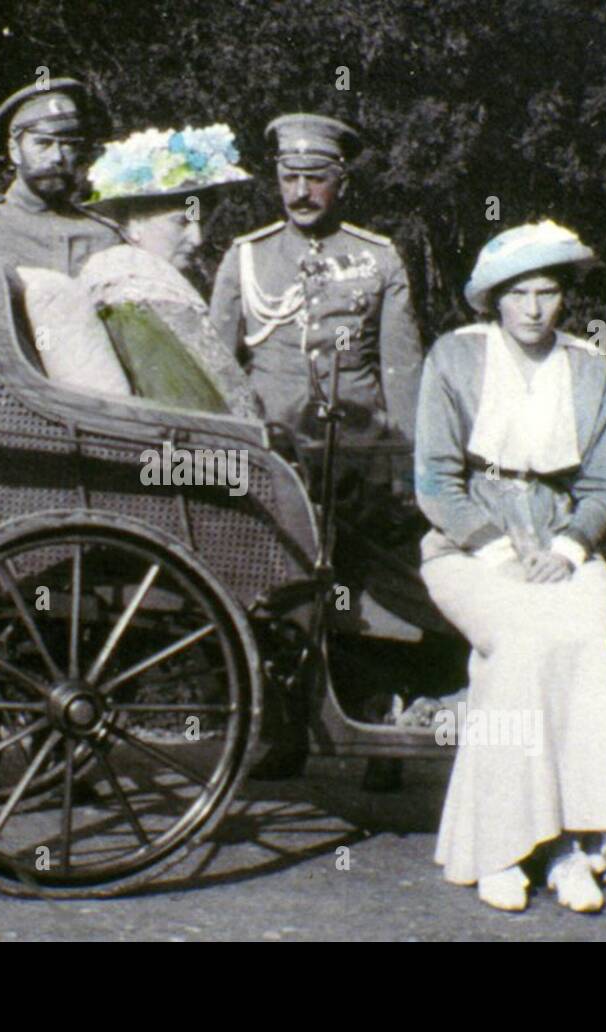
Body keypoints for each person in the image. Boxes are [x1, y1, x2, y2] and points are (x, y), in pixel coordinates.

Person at [413, 221, 606, 913]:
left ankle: (573, 844)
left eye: (548, 292)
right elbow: (434, 480)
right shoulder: (455, 358)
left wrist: (571, 548)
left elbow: (604, 485)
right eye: (520, 294)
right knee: (519, 645)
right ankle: (502, 848)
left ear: (564, 297)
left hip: (560, 547)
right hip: (466, 549)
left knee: (584, 640)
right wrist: (497, 549)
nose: (536, 309)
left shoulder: (589, 368)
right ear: (494, 299)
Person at [208, 113, 425, 779]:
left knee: (371, 596)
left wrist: (406, 465)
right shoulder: (246, 257)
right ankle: (281, 730)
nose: (300, 192)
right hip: (272, 459)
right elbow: (214, 367)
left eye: (316, 178)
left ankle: (377, 731)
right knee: (275, 593)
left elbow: (401, 370)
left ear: (342, 182)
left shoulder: (378, 257)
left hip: (357, 456)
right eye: (288, 177)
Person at [73, 124, 261, 419]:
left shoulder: (166, 282)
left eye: (201, 222)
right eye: (181, 223)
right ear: (133, 223)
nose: (197, 238)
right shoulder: (128, 292)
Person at [0, 77, 125, 273]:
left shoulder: (104, 235)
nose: (57, 157)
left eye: (68, 145)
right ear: (14, 150)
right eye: (43, 144)